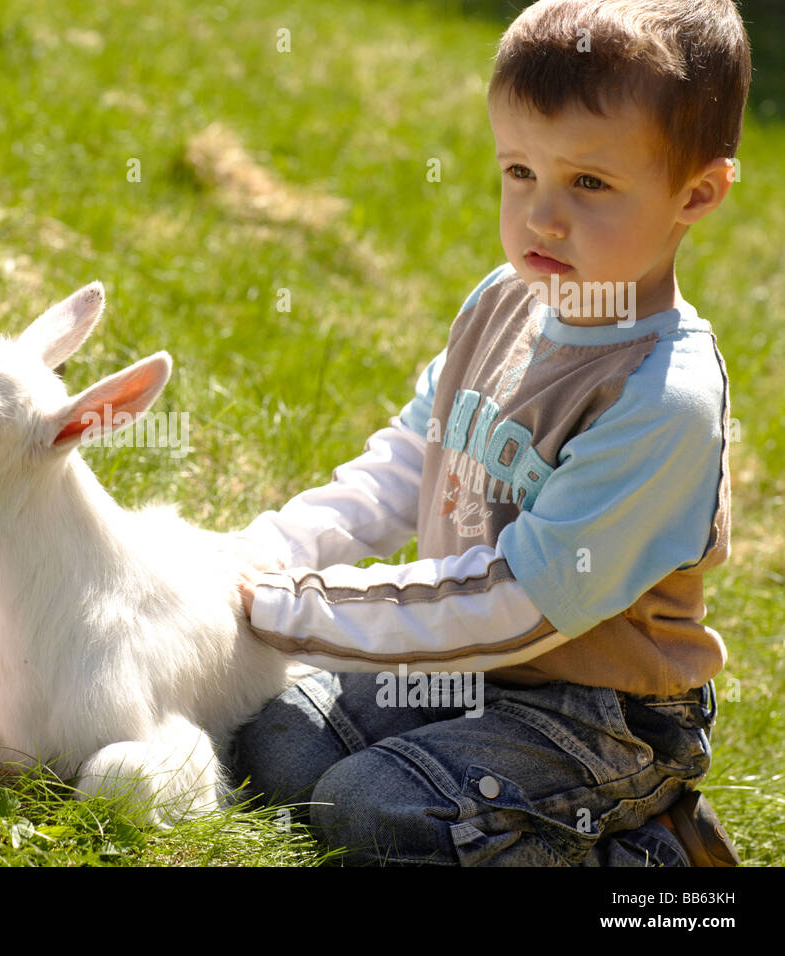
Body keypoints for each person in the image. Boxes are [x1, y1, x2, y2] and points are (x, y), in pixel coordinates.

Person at [230, 0, 747, 865]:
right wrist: (270, 549)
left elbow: (520, 603)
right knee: (275, 737)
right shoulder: (503, 303)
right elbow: (405, 462)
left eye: (589, 183)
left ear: (695, 192)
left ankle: (653, 863)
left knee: (377, 806)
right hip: (464, 662)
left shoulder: (663, 400)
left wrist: (298, 608)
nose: (541, 218)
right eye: (518, 171)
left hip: (592, 710)